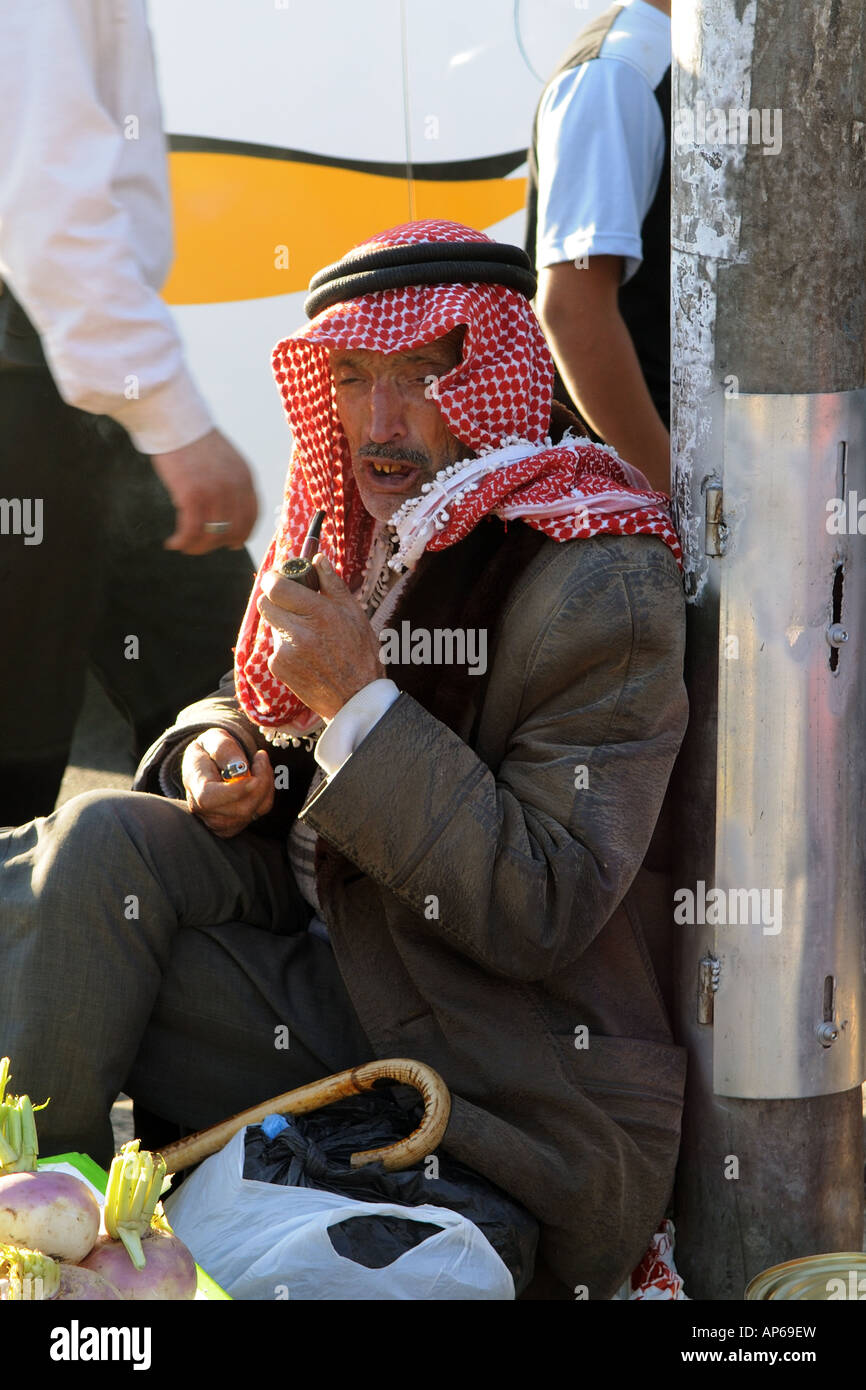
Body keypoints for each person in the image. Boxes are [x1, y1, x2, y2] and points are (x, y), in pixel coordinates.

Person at [0, 218, 688, 1299]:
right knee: (81, 856)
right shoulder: (355, 525)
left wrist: (357, 702)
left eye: (420, 375)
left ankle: (79, 1241)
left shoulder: (594, 576)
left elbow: (541, 903)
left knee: (45, 944)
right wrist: (219, 749)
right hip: (339, 961)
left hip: (500, 1060)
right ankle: (48, 1242)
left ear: (496, 379)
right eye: (354, 376)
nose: (379, 421)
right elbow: (251, 695)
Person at [0, 1, 258, 824]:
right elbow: (48, 215)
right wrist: (174, 421)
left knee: (239, 698)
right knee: (17, 758)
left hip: (69, 393)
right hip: (31, 393)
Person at [524, 0, 672, 490]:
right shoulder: (618, 73)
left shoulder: (662, 58)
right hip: (636, 513)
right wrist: (674, 504)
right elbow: (573, 311)